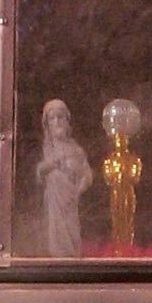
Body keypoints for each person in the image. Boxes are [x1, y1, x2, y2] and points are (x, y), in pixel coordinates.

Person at [35, 98, 93, 256]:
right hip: (54, 203)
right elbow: (39, 172)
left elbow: (87, 174)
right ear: (47, 124)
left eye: (60, 117)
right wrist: (52, 165)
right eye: (52, 118)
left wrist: (78, 191)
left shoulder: (76, 149)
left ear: (67, 120)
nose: (57, 121)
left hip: (71, 201)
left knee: (72, 234)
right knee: (56, 235)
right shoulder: (46, 149)